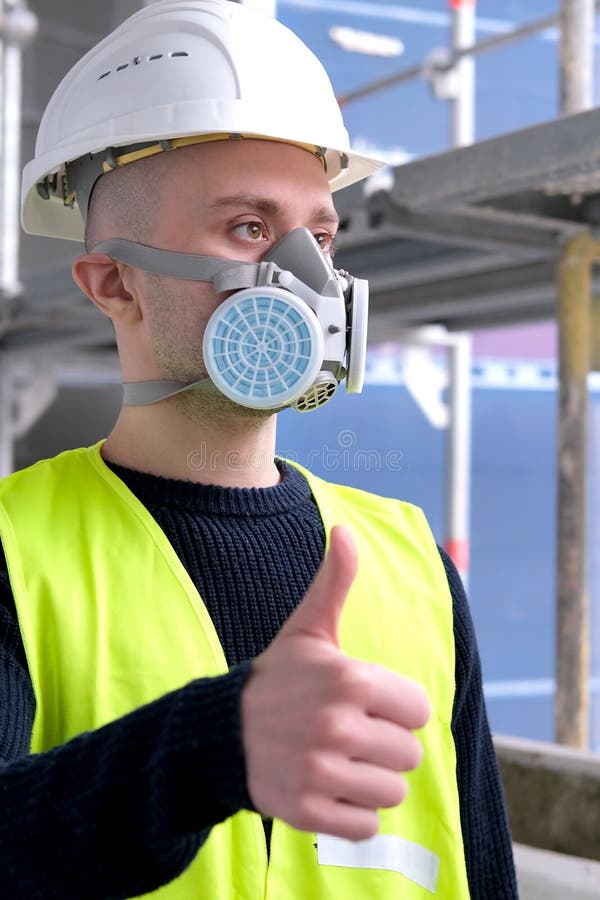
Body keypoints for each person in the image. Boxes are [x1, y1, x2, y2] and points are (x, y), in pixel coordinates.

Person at [0, 1, 518, 897]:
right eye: (248, 228)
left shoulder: (413, 565)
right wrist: (213, 747)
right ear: (114, 281)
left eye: (319, 235)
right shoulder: (13, 553)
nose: (308, 279)